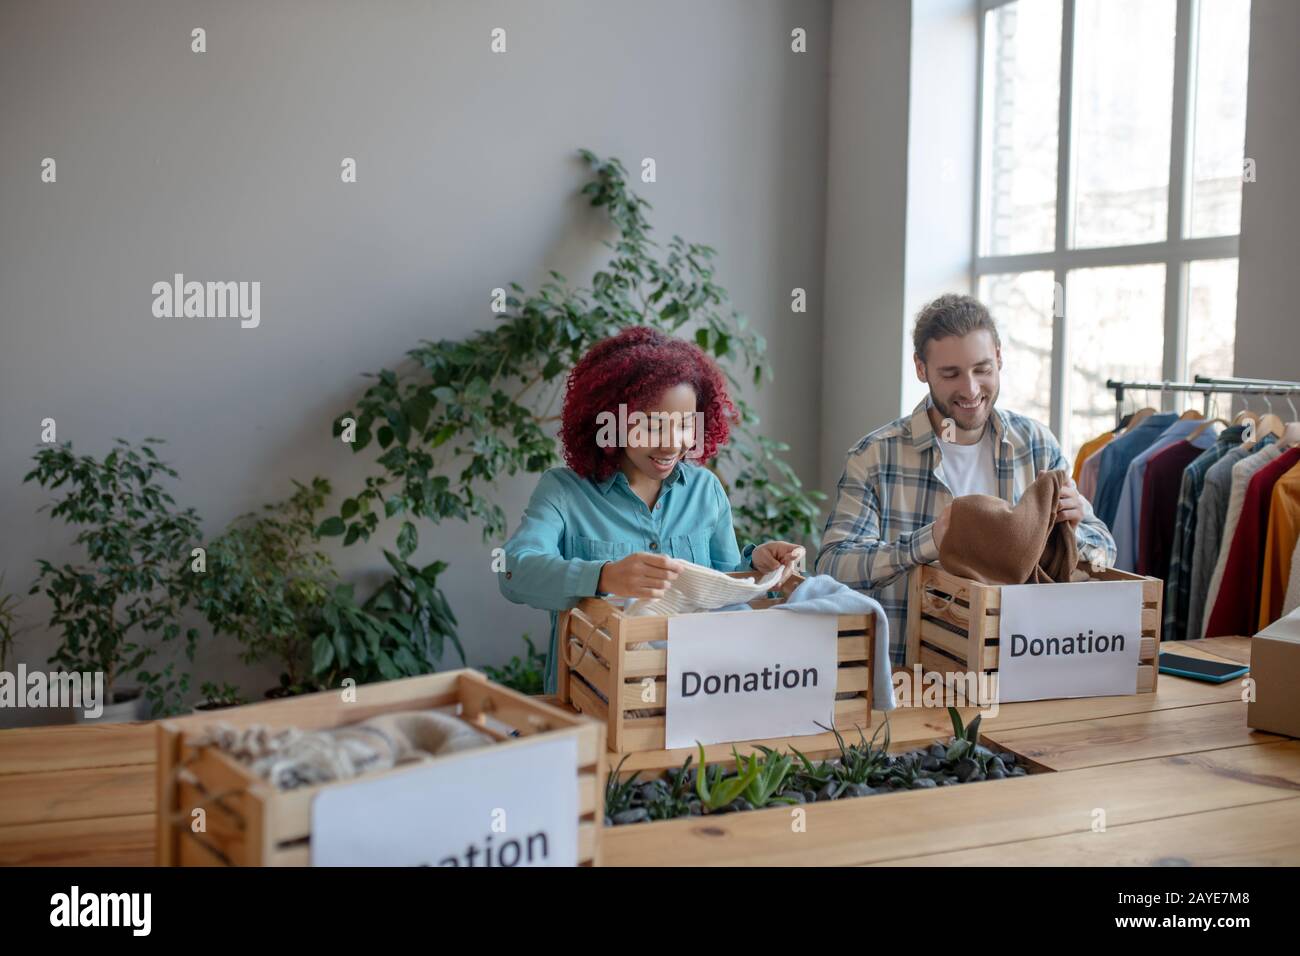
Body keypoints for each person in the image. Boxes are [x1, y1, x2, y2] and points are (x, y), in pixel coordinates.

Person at [500, 326, 806, 693]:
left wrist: (756, 563)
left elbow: (722, 591)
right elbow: (513, 572)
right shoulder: (565, 492)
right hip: (597, 703)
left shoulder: (705, 491)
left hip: (695, 696)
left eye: (684, 426)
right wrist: (603, 577)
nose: (672, 444)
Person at [815, 294, 1116, 666]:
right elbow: (832, 567)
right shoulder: (875, 457)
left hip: (1016, 668)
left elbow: (1105, 557)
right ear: (921, 369)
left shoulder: (1037, 446)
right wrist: (928, 543)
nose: (971, 389)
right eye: (951, 374)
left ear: (1000, 358)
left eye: (982, 369)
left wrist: (1075, 531)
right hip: (906, 679)